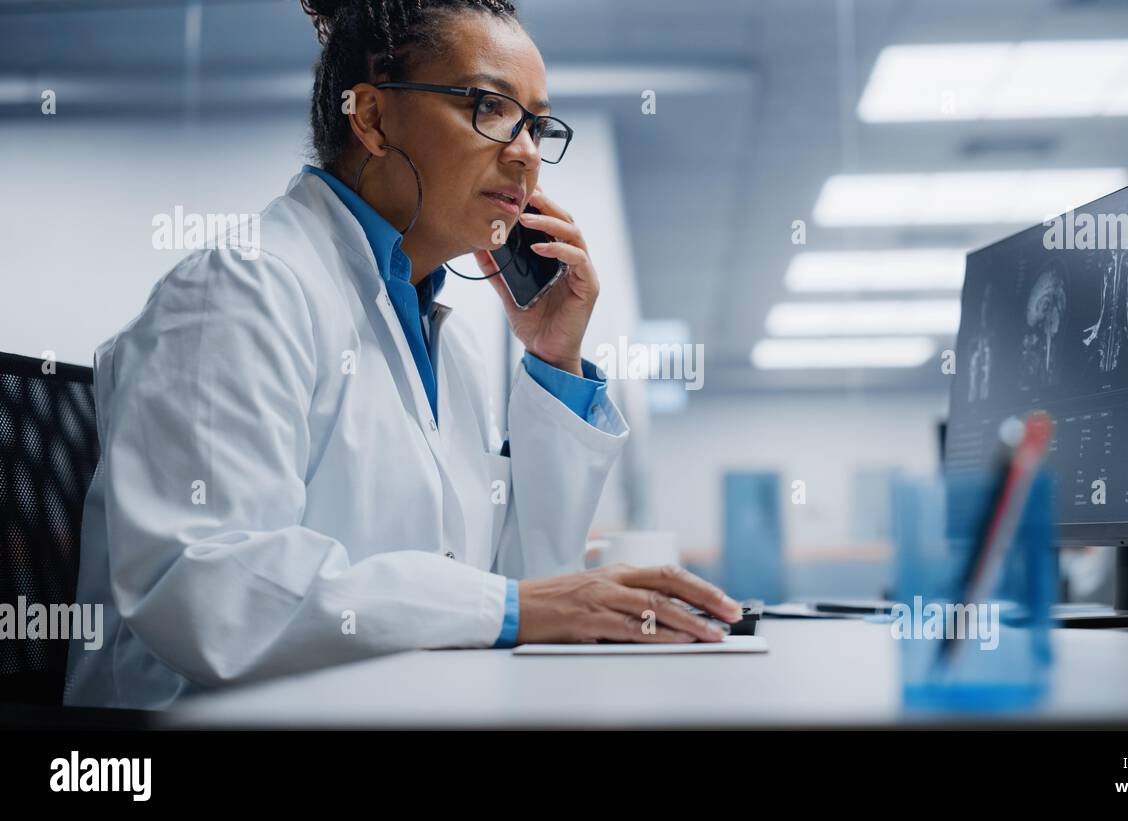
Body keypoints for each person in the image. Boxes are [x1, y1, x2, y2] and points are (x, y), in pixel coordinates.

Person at [64, 0, 740, 711]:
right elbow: (208, 590)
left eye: (536, 124)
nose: (525, 152)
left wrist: (554, 358)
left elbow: (512, 590)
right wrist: (511, 609)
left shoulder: (447, 341)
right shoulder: (239, 290)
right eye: (488, 106)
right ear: (374, 118)